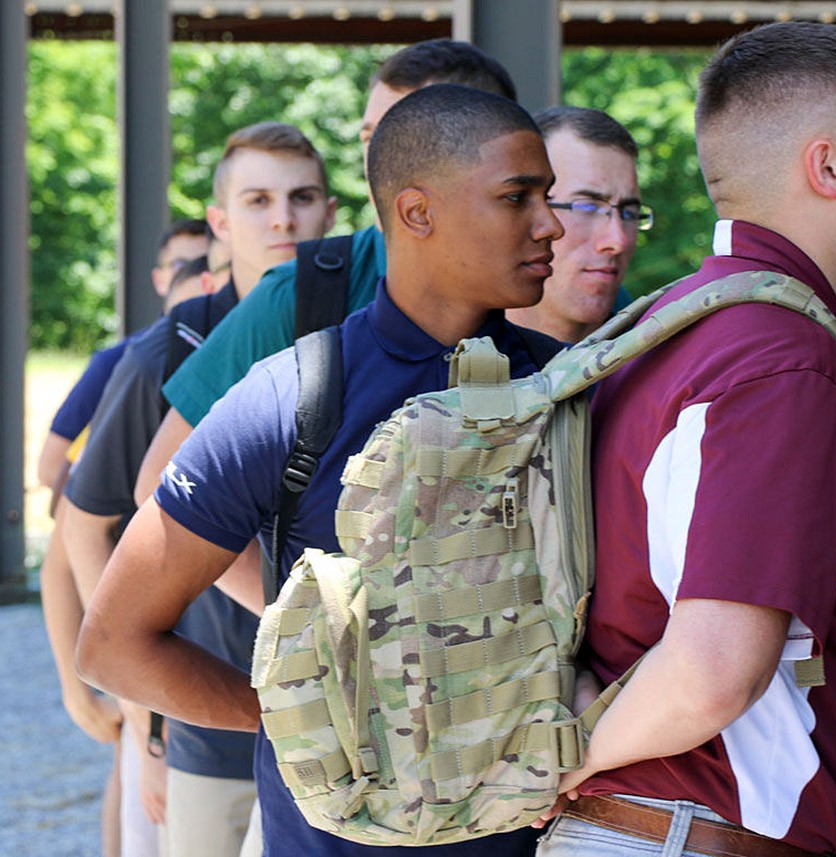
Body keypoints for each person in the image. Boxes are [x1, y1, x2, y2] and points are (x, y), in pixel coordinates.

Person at [77, 83, 564, 857]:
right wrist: (305, 715)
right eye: (518, 197)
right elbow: (112, 643)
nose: (551, 224)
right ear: (416, 212)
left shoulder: (571, 393)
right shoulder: (294, 395)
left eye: (548, 196)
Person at [533, 21, 836, 857]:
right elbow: (713, 668)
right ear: (826, 167)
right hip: (697, 837)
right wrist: (567, 762)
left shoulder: (667, 328)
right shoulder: (782, 358)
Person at [62, 121, 336, 857]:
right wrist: (137, 707)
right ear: (219, 222)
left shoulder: (354, 325)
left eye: (302, 197)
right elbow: (83, 523)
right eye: (258, 200)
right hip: (210, 716)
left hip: (339, 710)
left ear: (332, 211)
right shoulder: (170, 348)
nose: (283, 220)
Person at [131, 39, 521, 507]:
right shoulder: (303, 293)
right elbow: (163, 483)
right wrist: (285, 561)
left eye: (410, 135)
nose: (381, 160)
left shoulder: (548, 285)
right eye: (370, 138)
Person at [38, 217, 209, 857]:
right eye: (184, 266)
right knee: (137, 785)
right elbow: (62, 507)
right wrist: (78, 685)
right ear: (162, 279)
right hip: (145, 633)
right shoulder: (131, 361)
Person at [37, 219, 210, 508]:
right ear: (159, 279)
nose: (195, 275)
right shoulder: (120, 360)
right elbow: (51, 468)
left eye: (206, 264)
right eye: (181, 265)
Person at [507, 106, 651, 343]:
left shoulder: (654, 355)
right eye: (587, 208)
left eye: (628, 213)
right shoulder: (452, 352)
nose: (618, 241)